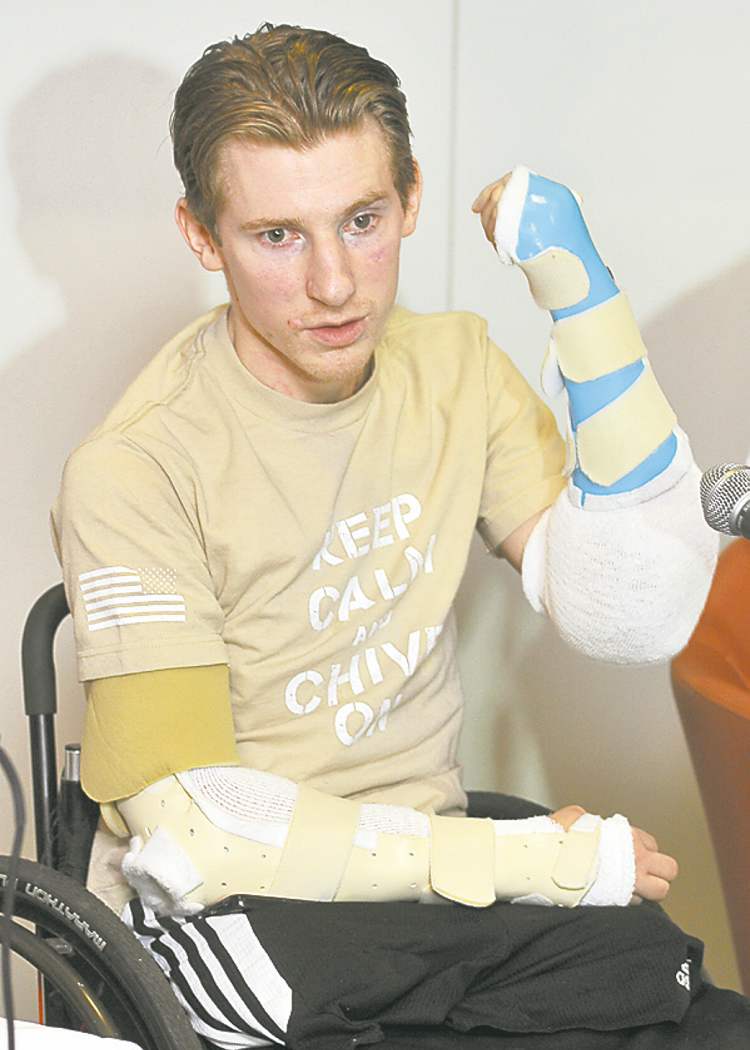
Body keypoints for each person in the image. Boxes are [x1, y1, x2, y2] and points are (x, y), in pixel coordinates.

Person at [52, 22, 747, 1049]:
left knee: (683, 1002)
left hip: (433, 881)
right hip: (230, 909)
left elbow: (632, 612)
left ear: (412, 197)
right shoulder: (137, 468)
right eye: (278, 236)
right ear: (201, 234)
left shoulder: (454, 371)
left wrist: (584, 301)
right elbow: (198, 826)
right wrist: (527, 863)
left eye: (363, 220)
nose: (335, 284)